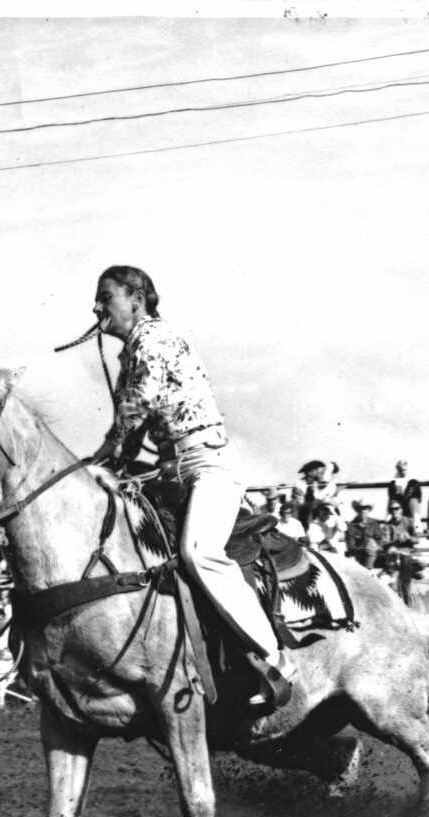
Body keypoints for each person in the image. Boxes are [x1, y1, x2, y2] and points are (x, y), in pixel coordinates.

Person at [92, 264, 297, 708]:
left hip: (208, 465)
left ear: (136, 299)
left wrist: (106, 452)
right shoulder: (133, 351)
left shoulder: (153, 340)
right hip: (174, 469)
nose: (96, 308)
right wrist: (113, 459)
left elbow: (135, 408)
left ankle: (276, 659)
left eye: (105, 297)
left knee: (199, 552)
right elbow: (133, 431)